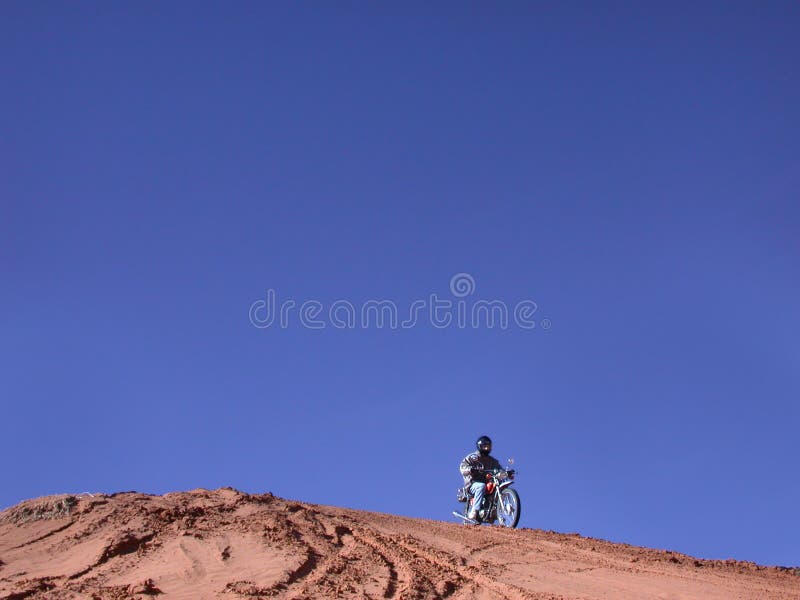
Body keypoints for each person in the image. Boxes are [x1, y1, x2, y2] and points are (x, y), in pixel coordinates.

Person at [459, 435, 502, 522]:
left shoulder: (493, 461)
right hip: (472, 484)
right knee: (481, 486)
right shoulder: (473, 457)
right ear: (480, 446)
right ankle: (474, 511)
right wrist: (470, 469)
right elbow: (462, 466)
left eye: (488, 446)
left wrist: (505, 473)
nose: (487, 448)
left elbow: (499, 469)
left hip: (488, 483)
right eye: (485, 446)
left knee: (498, 487)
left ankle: (495, 511)